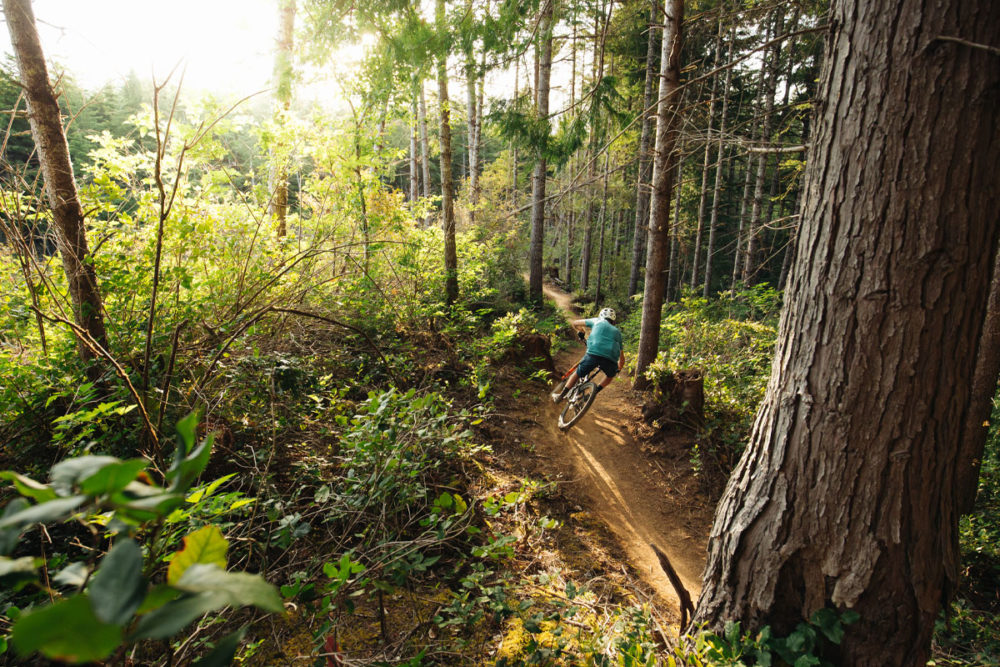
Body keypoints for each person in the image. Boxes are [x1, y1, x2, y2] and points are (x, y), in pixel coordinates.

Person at [552, 307, 625, 403]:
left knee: (577, 374)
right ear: (613, 321)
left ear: (600, 316)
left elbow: (575, 323)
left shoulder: (596, 320)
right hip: (611, 359)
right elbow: (622, 356)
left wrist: (581, 331)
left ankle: (561, 396)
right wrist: (619, 368)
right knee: (609, 377)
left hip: (593, 354)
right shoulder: (617, 332)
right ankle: (591, 394)